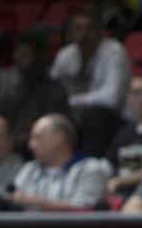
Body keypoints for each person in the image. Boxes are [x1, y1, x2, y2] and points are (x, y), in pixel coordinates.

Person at [49, 8, 132, 157]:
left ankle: (90, 163)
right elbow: (51, 89)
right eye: (78, 29)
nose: (83, 35)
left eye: (89, 29)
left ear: (100, 31)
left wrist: (73, 100)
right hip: (76, 118)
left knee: (94, 114)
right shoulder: (65, 55)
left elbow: (112, 98)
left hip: (115, 119)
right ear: (71, 32)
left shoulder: (114, 52)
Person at [0, 33, 69, 137]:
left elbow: (57, 132)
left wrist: (15, 144)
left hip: (35, 153)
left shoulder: (55, 92)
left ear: (44, 57)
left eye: (36, 52)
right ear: (14, 53)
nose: (30, 57)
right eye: (24, 51)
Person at [7, 114, 112, 211]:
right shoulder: (30, 168)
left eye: (37, 137)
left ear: (59, 138)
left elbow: (85, 208)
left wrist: (34, 201)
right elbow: (13, 200)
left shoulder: (90, 168)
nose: (31, 145)